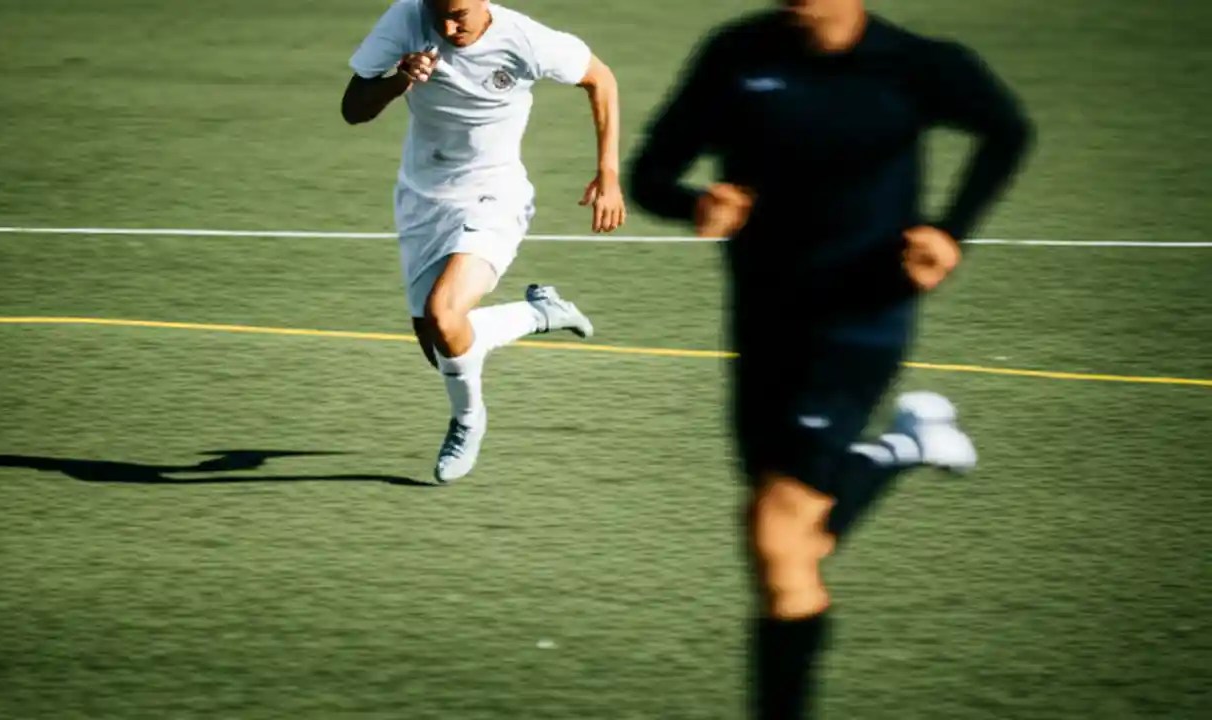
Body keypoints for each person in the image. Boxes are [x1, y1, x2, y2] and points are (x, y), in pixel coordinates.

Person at [627, 0, 1033, 717]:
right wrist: (694, 204)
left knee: (777, 535)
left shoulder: (911, 64)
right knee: (788, 540)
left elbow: (1006, 130)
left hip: (861, 318)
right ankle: (902, 449)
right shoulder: (739, 54)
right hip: (764, 321)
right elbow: (651, 171)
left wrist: (951, 231)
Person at [342, 0, 626, 483]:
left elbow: (601, 79)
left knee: (444, 314)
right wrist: (399, 80)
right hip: (421, 199)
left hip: (494, 196)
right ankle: (539, 313)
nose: (447, 27)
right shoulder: (406, 19)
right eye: (438, 14)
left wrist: (608, 174)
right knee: (443, 348)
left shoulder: (525, 40)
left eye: (459, 14)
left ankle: (468, 422)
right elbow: (352, 110)